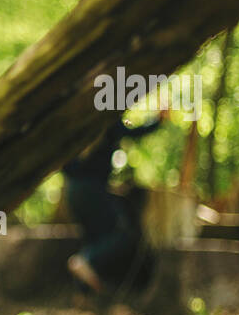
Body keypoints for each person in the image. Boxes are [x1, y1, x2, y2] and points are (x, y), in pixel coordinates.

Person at [62, 106, 169, 293]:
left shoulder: (78, 122)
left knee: (96, 235)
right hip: (91, 189)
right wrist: (158, 120)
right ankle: (85, 261)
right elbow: (135, 132)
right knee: (122, 235)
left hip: (72, 189)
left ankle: (85, 291)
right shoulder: (105, 119)